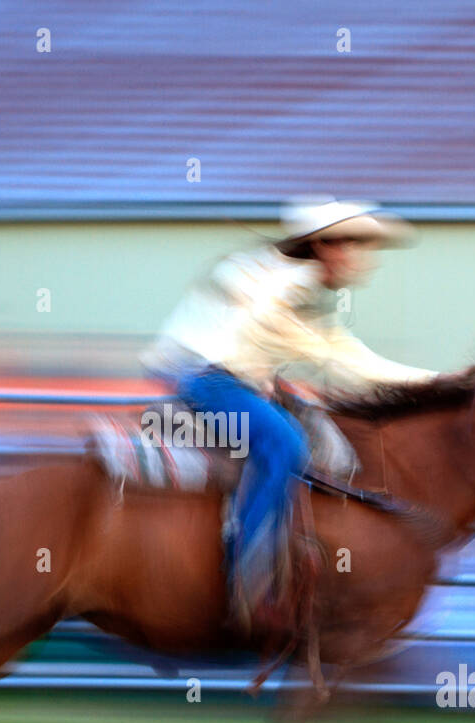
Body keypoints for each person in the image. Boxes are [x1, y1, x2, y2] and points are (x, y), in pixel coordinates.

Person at [141, 198, 438, 633]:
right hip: (209, 380)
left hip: (224, 375)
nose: (360, 259)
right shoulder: (292, 288)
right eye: (352, 245)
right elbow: (344, 359)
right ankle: (249, 580)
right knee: (285, 445)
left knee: (312, 428)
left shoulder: (287, 279)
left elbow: (322, 350)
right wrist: (435, 382)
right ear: (325, 247)